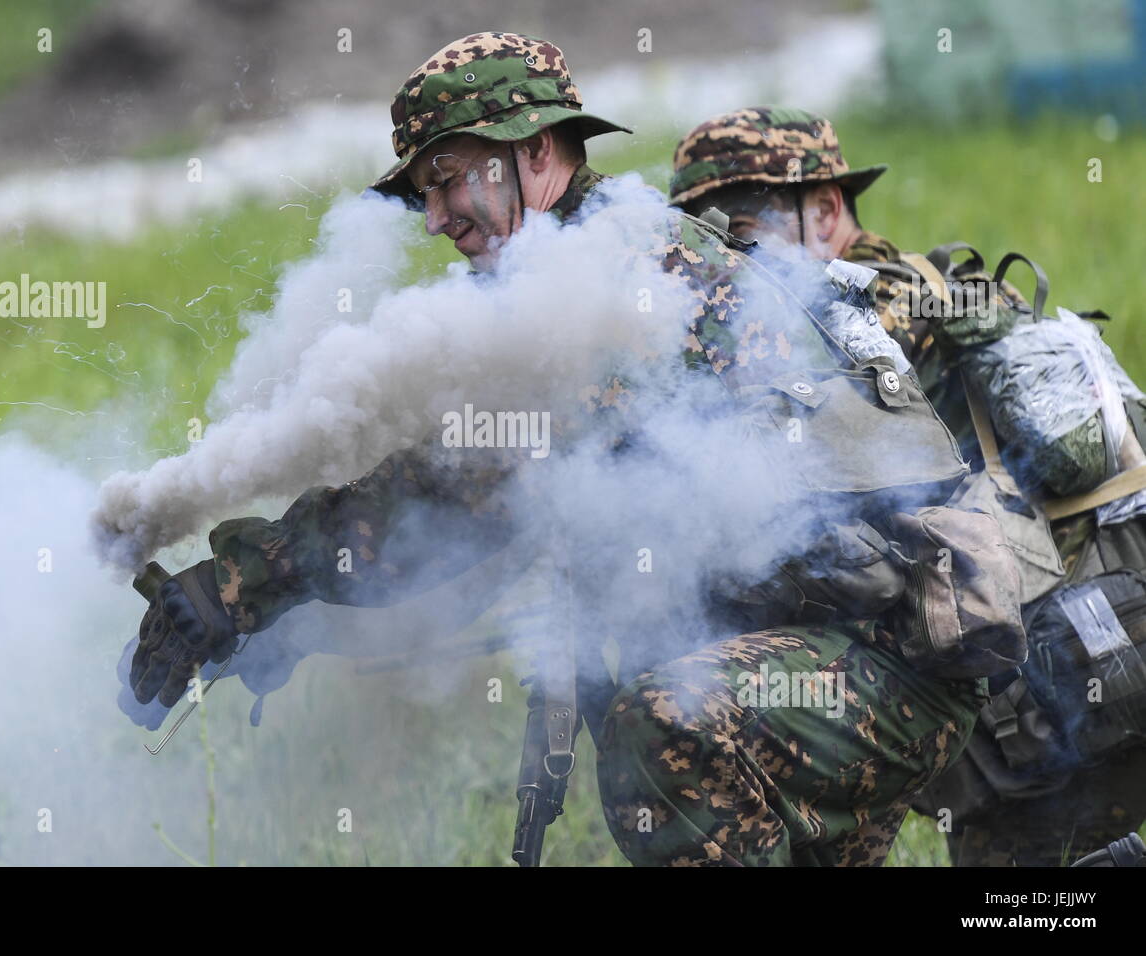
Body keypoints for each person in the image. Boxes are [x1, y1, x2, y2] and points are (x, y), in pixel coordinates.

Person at [124, 36, 990, 866]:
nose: (434, 221)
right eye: (422, 193)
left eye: (448, 180)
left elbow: (453, 491)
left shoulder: (623, 276)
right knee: (670, 702)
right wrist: (303, 622)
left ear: (534, 152)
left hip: (878, 657)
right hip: (816, 647)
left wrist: (241, 585)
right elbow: (473, 560)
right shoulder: (597, 255)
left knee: (665, 724)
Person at [669, 105, 1146, 866]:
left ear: (824, 209)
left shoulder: (874, 310)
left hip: (1066, 655)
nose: (721, 263)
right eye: (706, 239)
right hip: (1076, 648)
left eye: (740, 232)